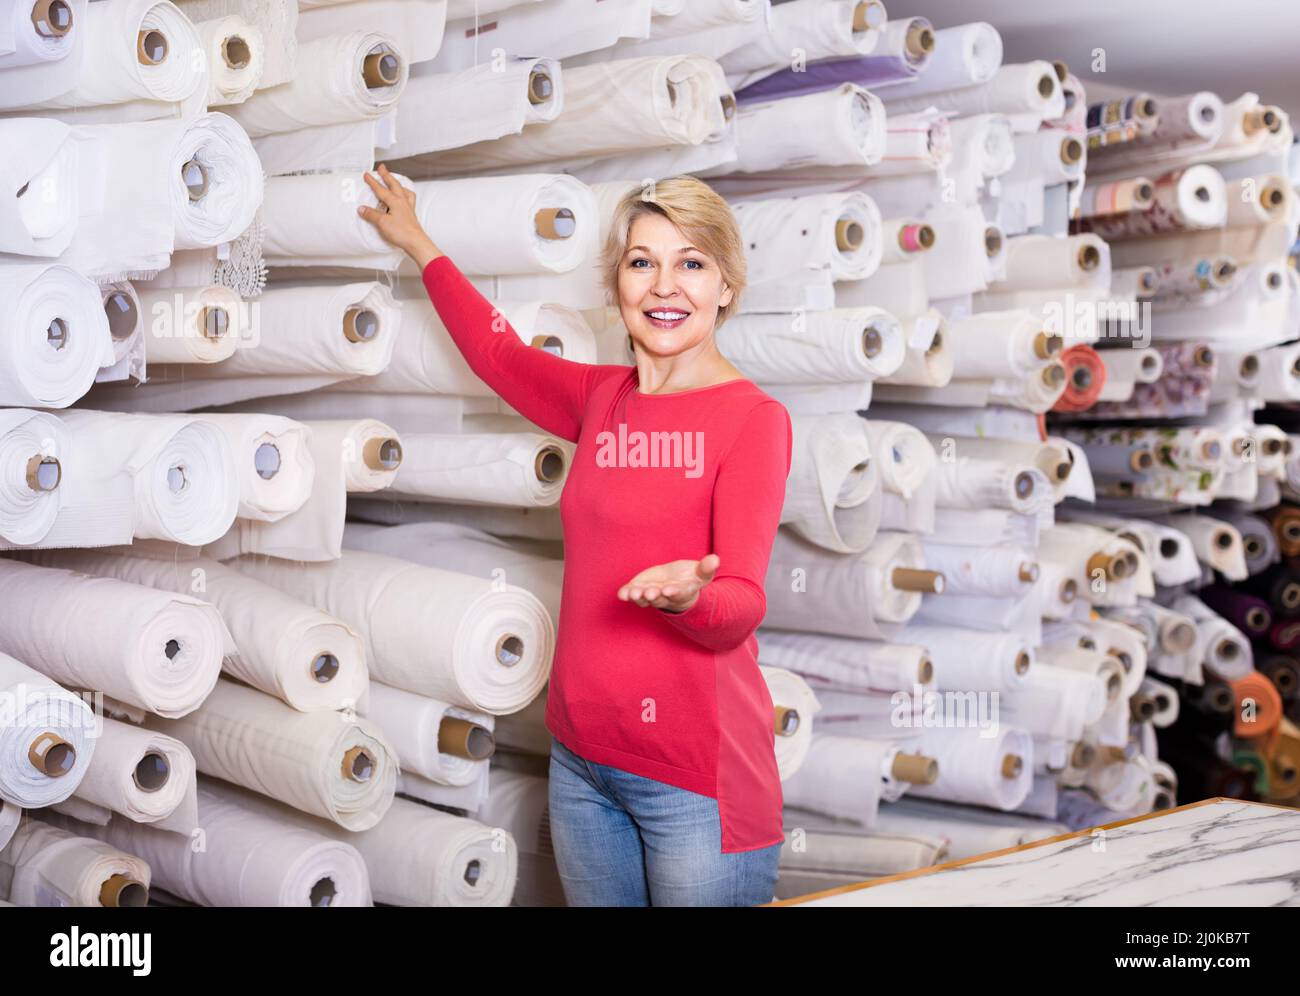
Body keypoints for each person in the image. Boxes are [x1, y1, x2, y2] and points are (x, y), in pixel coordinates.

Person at [358, 166, 793, 906]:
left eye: (692, 263)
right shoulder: (601, 399)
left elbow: (742, 604)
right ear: (616, 283)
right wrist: (418, 242)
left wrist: (691, 599)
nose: (665, 286)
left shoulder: (753, 421)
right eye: (642, 262)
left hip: (695, 784)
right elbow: (497, 353)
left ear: (726, 287)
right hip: (583, 763)